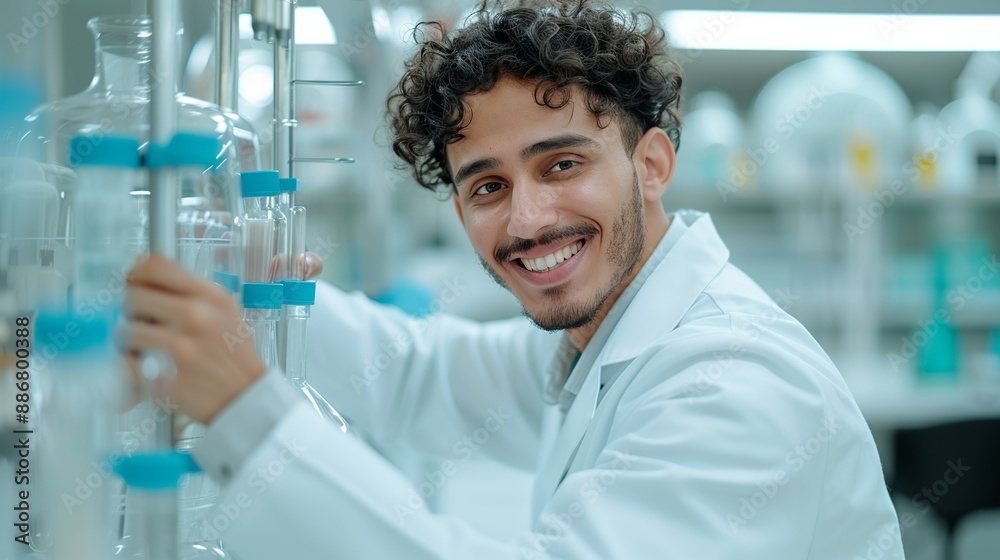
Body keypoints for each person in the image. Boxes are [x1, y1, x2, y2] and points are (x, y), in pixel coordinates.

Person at [123, 1, 905, 558]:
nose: (528, 220)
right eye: (487, 186)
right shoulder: (608, 335)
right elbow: (419, 379)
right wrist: (259, 300)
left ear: (653, 164)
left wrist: (245, 410)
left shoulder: (734, 384)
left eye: (562, 163)